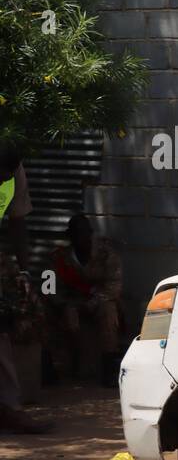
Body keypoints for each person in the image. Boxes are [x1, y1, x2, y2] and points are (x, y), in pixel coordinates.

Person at [0, 145, 53, 434]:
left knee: (5, 327)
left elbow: (18, 222)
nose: (2, 182)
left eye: (7, 176)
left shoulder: (14, 173)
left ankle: (10, 408)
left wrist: (23, 271)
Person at [50, 214, 123, 387]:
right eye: (76, 234)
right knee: (65, 317)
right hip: (72, 302)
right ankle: (66, 366)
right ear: (70, 237)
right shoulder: (58, 258)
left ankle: (109, 367)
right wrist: (63, 303)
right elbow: (49, 287)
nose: (81, 238)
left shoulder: (106, 255)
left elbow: (114, 285)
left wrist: (93, 302)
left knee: (108, 312)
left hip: (99, 301)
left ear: (90, 234)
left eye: (84, 233)